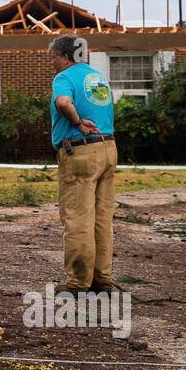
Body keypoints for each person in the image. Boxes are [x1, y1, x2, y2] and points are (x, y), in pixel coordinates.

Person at [47, 35, 118, 294]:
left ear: (65, 56)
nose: (51, 62)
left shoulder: (64, 78)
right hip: (109, 149)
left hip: (80, 152)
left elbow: (64, 103)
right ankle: (103, 280)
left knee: (78, 218)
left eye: (53, 56)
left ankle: (78, 283)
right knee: (102, 218)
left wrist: (77, 123)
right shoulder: (97, 77)